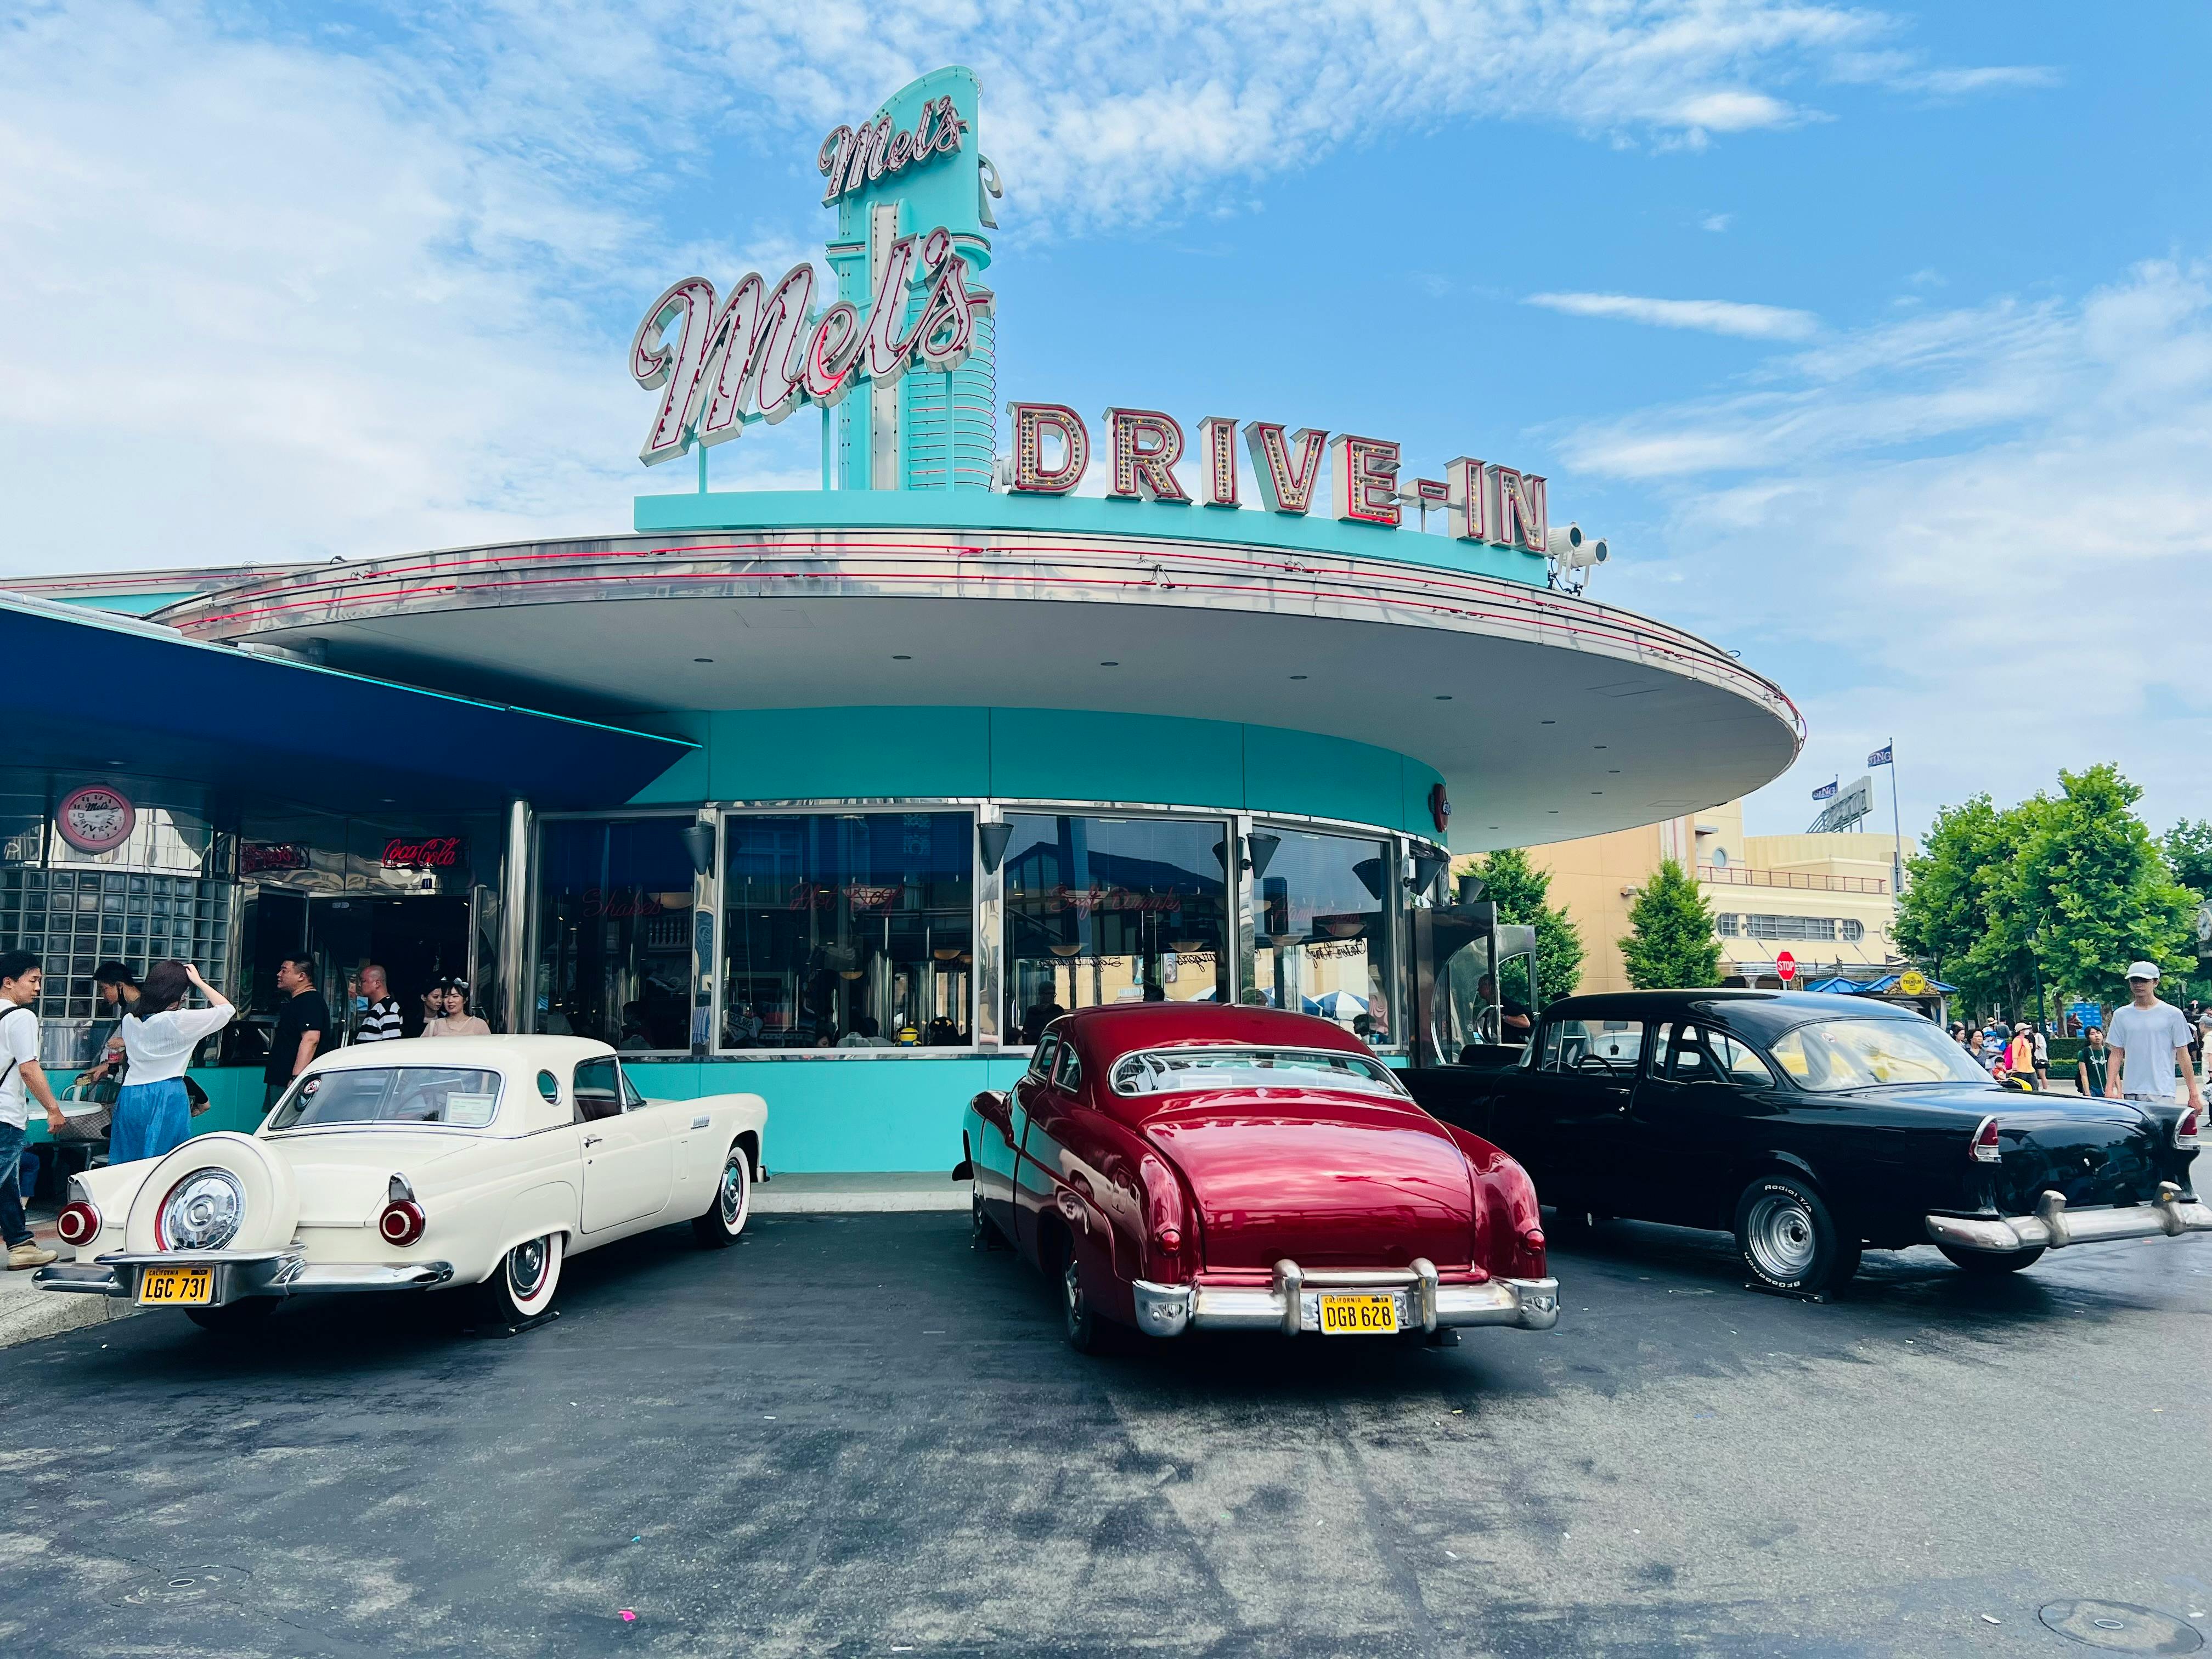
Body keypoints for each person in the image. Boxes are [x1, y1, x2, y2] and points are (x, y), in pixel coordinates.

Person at [111, 961, 233, 1165]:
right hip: (167, 1092)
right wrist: (199, 982)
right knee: (165, 1163)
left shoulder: (130, 1020)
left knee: (127, 1160)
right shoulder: (179, 1021)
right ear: (178, 994)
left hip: (131, 1094)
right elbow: (227, 1010)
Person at [0, 952, 65, 1270]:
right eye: (34, 980)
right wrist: (53, 1109)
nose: (39, 987)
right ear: (8, 983)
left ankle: (21, 1246)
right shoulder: (20, 1017)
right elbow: (28, 1068)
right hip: (4, 1116)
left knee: (8, 1185)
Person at [2104, 962, 2204, 1112]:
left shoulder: (2173, 1014)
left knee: (2162, 1135)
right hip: (2131, 1089)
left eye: (2144, 980)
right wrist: (2109, 1087)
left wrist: (2194, 1094)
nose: (2138, 985)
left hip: (2162, 1090)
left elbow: (2183, 1055)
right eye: (2134, 980)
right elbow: (2116, 1053)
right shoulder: (2121, 1015)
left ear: (2156, 982)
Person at [264, 955, 331, 1111]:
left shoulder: (310, 1002)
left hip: (294, 1082)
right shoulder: (299, 1001)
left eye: (284, 971)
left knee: (287, 1126)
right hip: (284, 1079)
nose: (279, 975)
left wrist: (297, 1078)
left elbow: (311, 1039)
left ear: (302, 976)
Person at [422, 978, 491, 1039]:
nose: (450, 1001)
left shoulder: (479, 1024)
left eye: (455, 996)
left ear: (465, 1000)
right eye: (446, 997)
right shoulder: (434, 1025)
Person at [352, 964, 403, 1044]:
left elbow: (391, 1046)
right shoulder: (379, 1008)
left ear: (377, 983)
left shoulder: (387, 1009)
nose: (359, 985)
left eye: (363, 981)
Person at [1476, 973, 1531, 1043]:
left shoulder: (1505, 1002)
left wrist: (1503, 1017)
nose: (1478, 990)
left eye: (1481, 986)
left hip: (1516, 1045)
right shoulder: (1487, 1005)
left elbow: (1525, 1023)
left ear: (1490, 987)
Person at [2076, 1026, 2111, 1099]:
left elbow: (2115, 1073)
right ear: (2088, 1037)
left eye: (2098, 1033)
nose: (2096, 1036)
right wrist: (2087, 1092)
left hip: (2107, 1089)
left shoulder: (2108, 1052)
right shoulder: (2084, 1053)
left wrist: (2118, 1091)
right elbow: (2084, 1075)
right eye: (2092, 1034)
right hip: (2092, 1089)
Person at [2004, 1023, 2036, 1088]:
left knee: (2034, 1087)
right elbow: (2015, 1054)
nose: (2028, 1031)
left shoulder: (2025, 1040)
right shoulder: (2017, 1040)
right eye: (2026, 1029)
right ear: (2021, 1030)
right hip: (2020, 1070)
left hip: (2029, 1069)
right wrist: (2015, 1065)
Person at [2031, 1022, 2051, 1089]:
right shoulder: (2032, 1036)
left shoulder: (2040, 1036)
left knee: (2042, 1075)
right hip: (2034, 1058)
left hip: (2041, 1058)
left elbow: (2042, 1046)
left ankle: (2045, 1089)